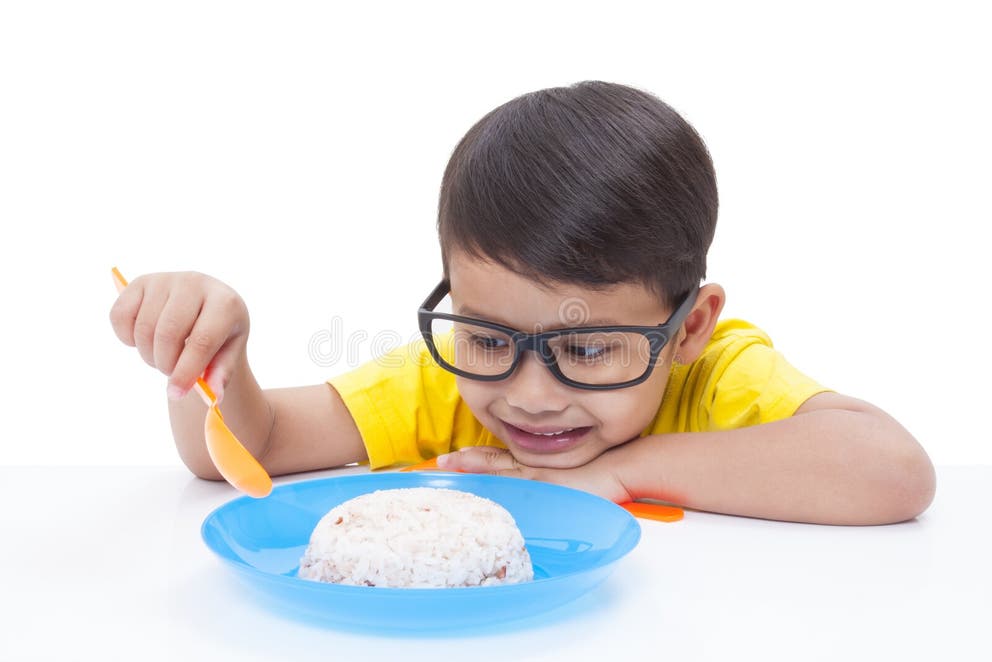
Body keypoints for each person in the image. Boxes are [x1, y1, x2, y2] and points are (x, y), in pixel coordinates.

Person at [109, 81, 935, 525]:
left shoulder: (713, 377)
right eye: (488, 335)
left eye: (585, 350)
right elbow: (248, 447)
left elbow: (895, 473)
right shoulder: (457, 375)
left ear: (689, 327)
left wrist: (617, 475)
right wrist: (216, 363)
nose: (529, 395)